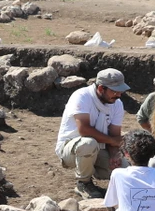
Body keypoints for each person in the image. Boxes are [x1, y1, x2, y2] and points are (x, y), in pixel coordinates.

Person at [55, 68, 129, 199]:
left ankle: (102, 177)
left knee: (125, 168)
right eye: (115, 91)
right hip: (70, 149)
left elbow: (114, 134)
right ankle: (83, 183)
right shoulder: (82, 96)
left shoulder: (117, 104)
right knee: (88, 143)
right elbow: (84, 130)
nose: (119, 95)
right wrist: (112, 141)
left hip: (99, 149)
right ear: (101, 88)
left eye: (120, 91)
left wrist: (114, 155)